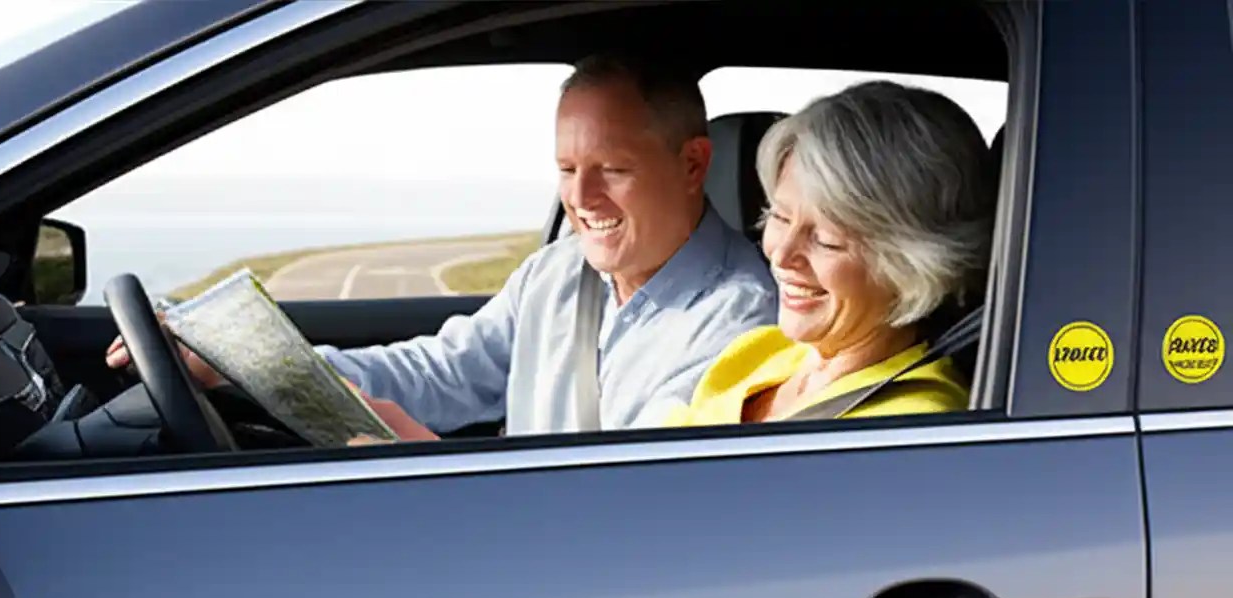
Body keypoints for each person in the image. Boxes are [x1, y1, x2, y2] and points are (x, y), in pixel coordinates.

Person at [106, 54, 777, 440]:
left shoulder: (741, 323)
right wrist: (240, 365)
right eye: (568, 171)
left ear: (693, 166)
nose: (584, 199)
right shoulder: (559, 270)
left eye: (614, 170)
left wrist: (426, 460)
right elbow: (439, 373)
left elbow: (636, 506)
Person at [665, 81, 996, 427]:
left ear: (912, 264)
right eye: (780, 217)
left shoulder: (913, 426)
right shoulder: (758, 349)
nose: (781, 255)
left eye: (826, 240)